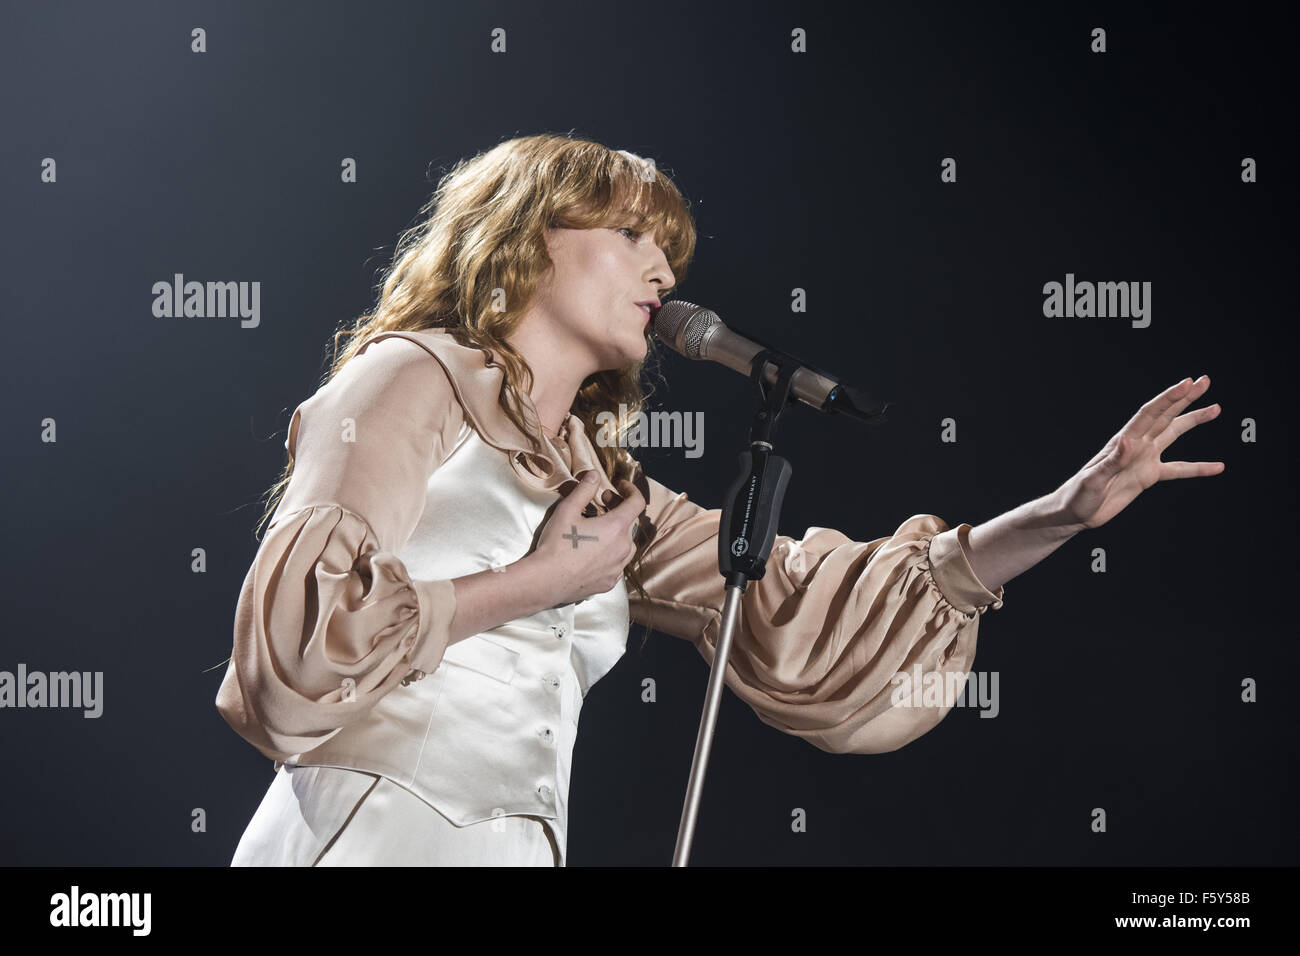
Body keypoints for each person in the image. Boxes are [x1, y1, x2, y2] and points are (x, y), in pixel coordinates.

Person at [214, 134, 1224, 867]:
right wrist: (534, 581)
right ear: (524, 236)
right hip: (371, 829)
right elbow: (302, 640)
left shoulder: (598, 477)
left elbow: (792, 600)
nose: (663, 271)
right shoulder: (410, 378)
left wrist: (1059, 510)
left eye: (672, 253)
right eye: (630, 235)